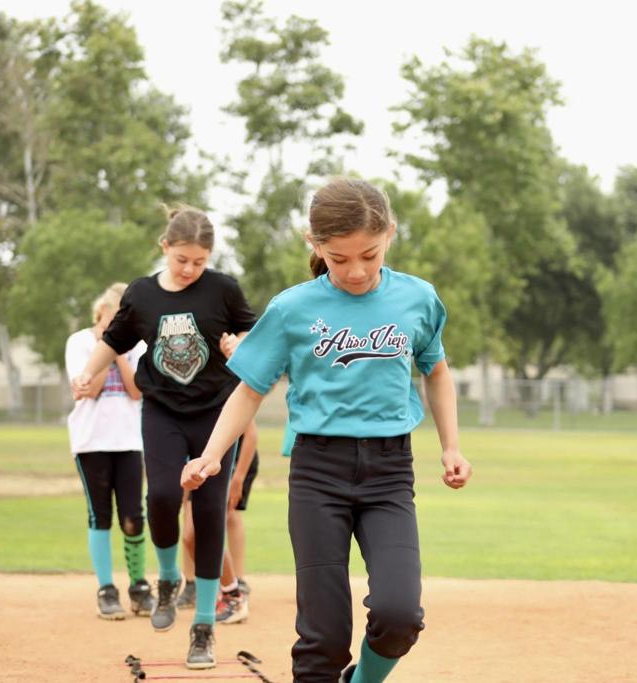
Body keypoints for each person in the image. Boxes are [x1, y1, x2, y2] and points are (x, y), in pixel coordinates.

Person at [182, 177, 472, 683]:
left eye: (370, 255)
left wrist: (451, 447)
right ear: (314, 246)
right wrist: (210, 455)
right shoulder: (293, 308)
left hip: (388, 473)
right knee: (324, 636)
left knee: (400, 616)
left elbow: (437, 370)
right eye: (339, 259)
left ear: (390, 235)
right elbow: (250, 388)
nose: (356, 270)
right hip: (319, 474)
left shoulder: (418, 299)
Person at [71, 205, 257, 669]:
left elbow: (256, 334)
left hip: (216, 412)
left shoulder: (223, 289)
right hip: (162, 411)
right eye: (182, 260)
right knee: (162, 498)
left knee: (212, 509)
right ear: (165, 248)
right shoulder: (142, 294)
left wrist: (241, 346)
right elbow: (113, 339)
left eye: (200, 260)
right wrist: (87, 374)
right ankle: (169, 579)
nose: (191, 269)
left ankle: (204, 629)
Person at [65, 282, 154, 620]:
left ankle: (138, 585)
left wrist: (117, 349)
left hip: (130, 440)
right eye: (111, 315)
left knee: (133, 517)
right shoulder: (78, 343)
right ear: (100, 313)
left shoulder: (136, 346)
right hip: (92, 441)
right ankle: (106, 588)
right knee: (99, 516)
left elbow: (135, 391)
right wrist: (105, 347)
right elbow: (89, 389)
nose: (115, 322)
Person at [177, 420, 259, 626]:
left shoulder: (228, 388)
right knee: (190, 532)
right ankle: (207, 584)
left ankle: (234, 587)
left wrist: (238, 478)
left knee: (223, 520)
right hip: (199, 463)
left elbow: (250, 435)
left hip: (232, 463)